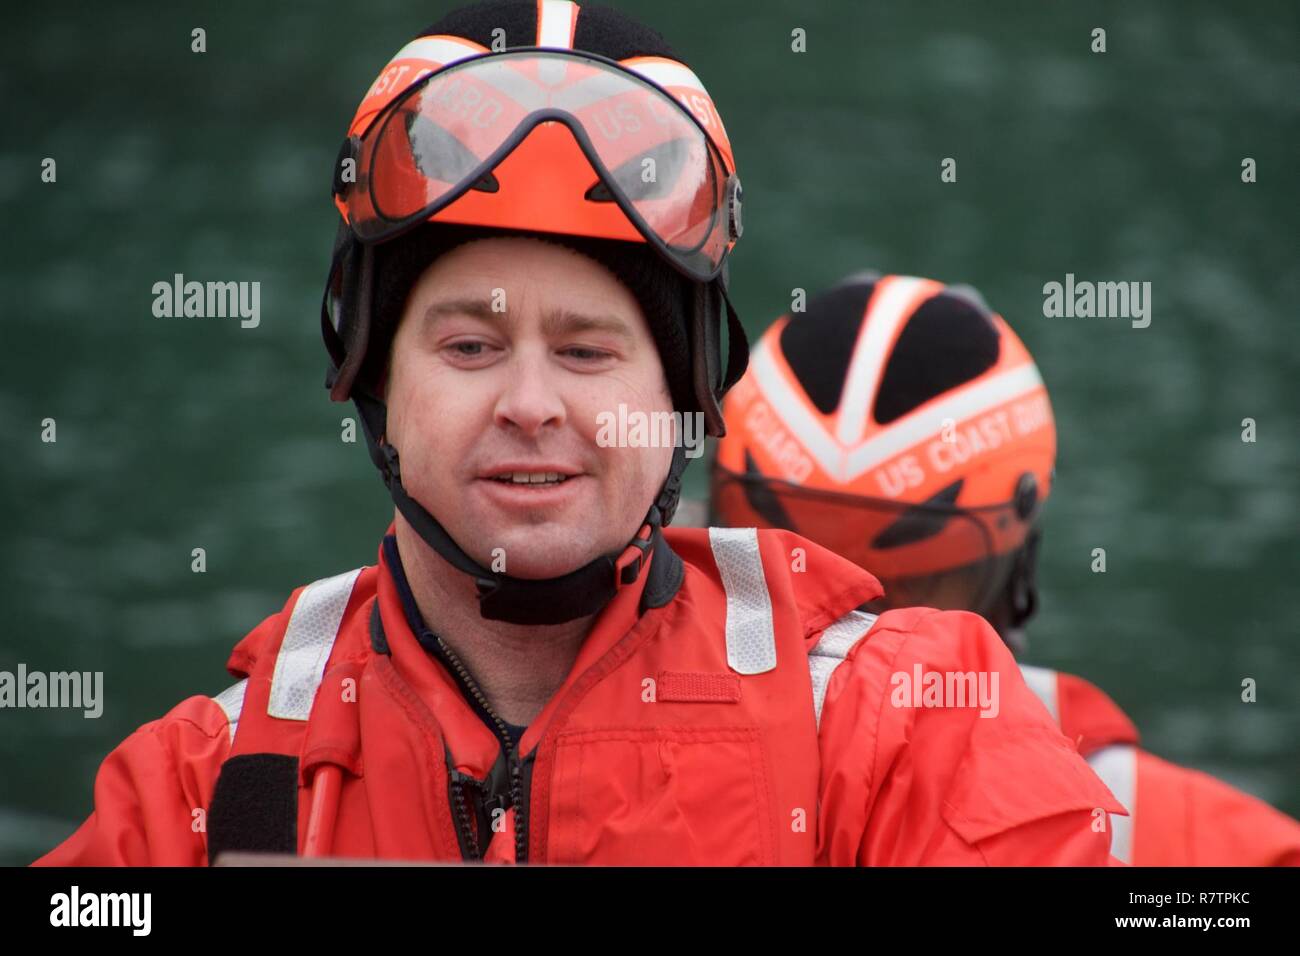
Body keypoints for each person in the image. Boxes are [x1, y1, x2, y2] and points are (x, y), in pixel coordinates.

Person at [36, 2, 1120, 867]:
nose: (531, 403)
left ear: (688, 391)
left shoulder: (897, 730)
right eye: (469, 346)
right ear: (368, 378)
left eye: (589, 349)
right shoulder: (199, 787)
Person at [711, 270, 1300, 866]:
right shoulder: (1166, 833)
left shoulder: (650, 773)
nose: (852, 657)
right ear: (1018, 570)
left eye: (906, 599)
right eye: (795, 583)